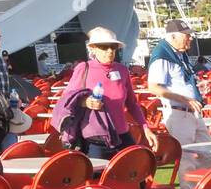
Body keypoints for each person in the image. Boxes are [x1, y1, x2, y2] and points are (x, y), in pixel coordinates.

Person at [51, 27, 157, 159]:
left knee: (136, 174)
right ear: (93, 48)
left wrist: (145, 128)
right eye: (104, 47)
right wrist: (85, 102)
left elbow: (132, 103)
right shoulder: (84, 68)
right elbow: (67, 100)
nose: (110, 51)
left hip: (122, 134)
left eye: (113, 47)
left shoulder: (122, 70)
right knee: (99, 178)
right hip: (94, 137)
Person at [147, 19, 211, 189]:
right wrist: (184, 98)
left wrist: (195, 90)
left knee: (208, 153)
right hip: (179, 112)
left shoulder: (178, 53)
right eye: (187, 35)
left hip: (191, 112)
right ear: (173, 36)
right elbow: (153, 86)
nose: (190, 39)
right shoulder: (162, 55)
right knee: (188, 159)